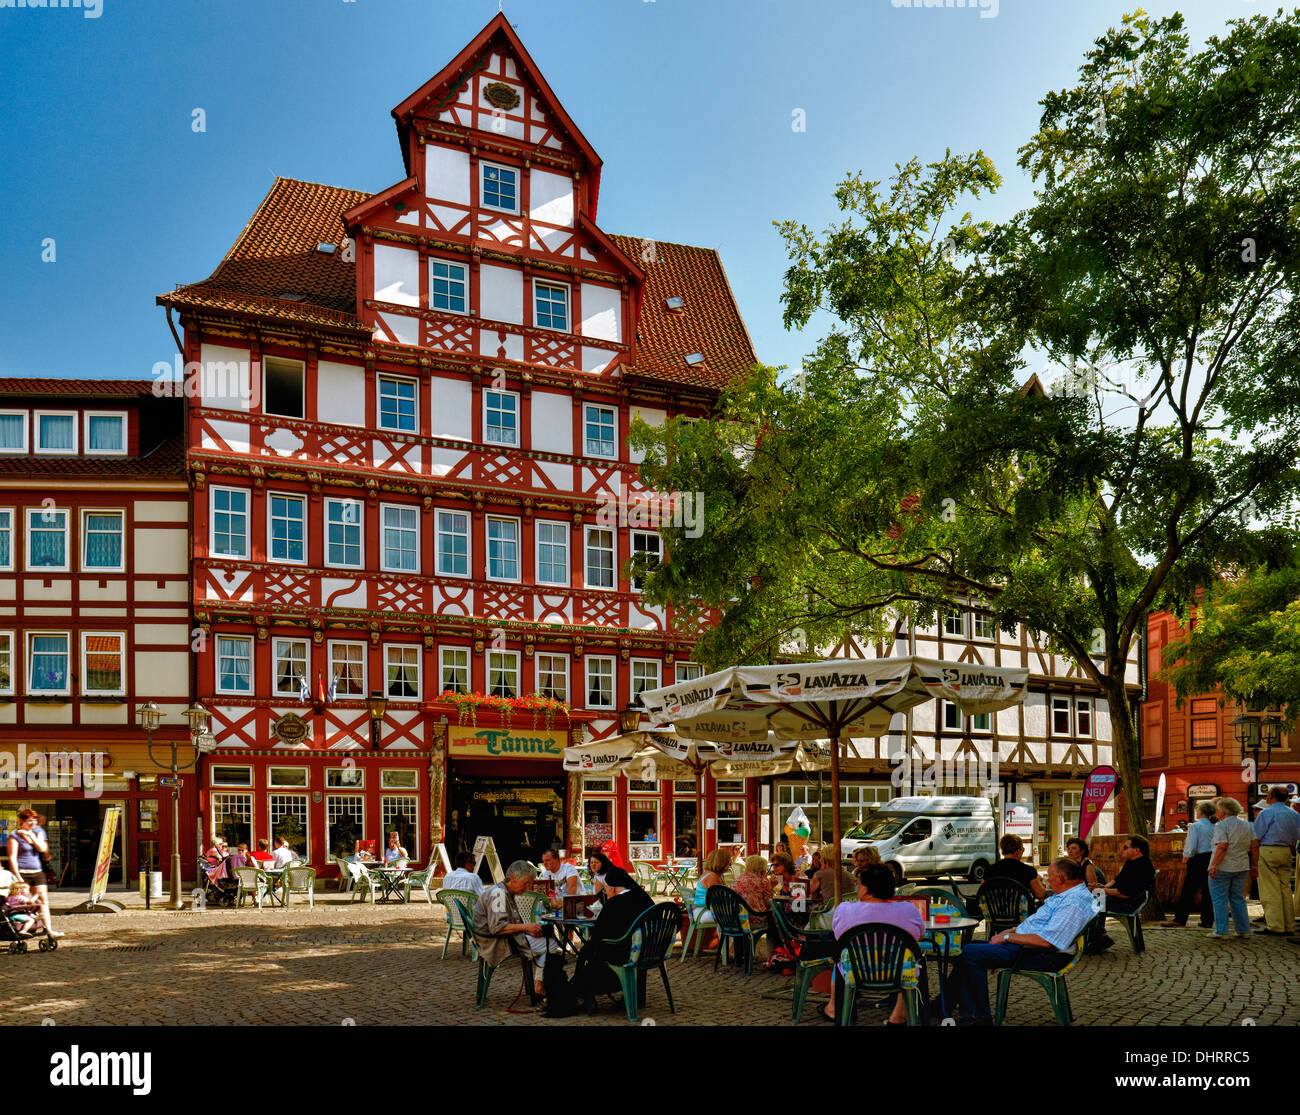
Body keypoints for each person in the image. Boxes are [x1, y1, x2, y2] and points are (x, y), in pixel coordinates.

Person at [951, 857, 1095, 1025]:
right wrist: (1011, 930)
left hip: (1041, 954)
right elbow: (1039, 925)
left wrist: (1007, 937)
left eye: (1049, 876)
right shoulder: (1068, 894)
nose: (1047, 881)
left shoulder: (1072, 903)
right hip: (1029, 947)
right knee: (969, 951)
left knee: (970, 952)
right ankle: (959, 1011)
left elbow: (1046, 941)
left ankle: (980, 1017)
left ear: (1061, 878)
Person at [569, 865, 656, 1006]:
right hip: (649, 949)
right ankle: (636, 996)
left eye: (606, 889)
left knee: (587, 950)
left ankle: (583, 991)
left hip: (624, 952)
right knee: (591, 949)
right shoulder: (643, 898)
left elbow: (598, 933)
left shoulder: (614, 903)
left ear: (613, 888)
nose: (605, 892)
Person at [471, 860, 555, 998]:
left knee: (547, 939)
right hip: (495, 943)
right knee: (551, 944)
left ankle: (540, 984)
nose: (528, 887)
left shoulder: (504, 892)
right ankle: (539, 986)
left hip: (501, 938)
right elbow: (497, 927)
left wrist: (526, 930)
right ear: (514, 878)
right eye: (526, 883)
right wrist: (526, 926)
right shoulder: (498, 894)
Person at [1252, 786, 1300, 935]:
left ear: (1270, 796)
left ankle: (1276, 925)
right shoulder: (1294, 814)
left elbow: (1256, 837)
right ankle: (1289, 925)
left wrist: (1254, 862)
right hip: (1286, 851)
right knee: (1285, 888)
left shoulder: (1266, 813)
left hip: (1268, 849)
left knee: (1270, 889)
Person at [1161, 801, 1216, 929]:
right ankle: (1207, 920)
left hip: (1197, 859)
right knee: (1207, 891)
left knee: (1188, 891)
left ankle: (1180, 919)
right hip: (1211, 858)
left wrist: (1186, 856)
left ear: (1201, 812)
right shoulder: (1215, 826)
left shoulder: (1196, 826)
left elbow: (1191, 844)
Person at [6, 810, 61, 938]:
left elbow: (42, 848)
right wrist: (18, 877)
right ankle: (20, 927)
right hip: (22, 872)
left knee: (43, 900)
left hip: (37, 872)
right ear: (22, 822)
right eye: (29, 820)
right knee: (21, 901)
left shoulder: (37, 833)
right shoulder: (14, 836)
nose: (33, 823)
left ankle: (48, 929)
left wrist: (31, 836)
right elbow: (12, 857)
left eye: (34, 820)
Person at [1207, 797, 1257, 940]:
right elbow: (1254, 846)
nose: (1216, 811)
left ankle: (1221, 930)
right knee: (1238, 898)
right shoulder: (1248, 825)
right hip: (1241, 866)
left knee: (1219, 899)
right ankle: (1243, 929)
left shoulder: (1221, 826)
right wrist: (1254, 865)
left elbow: (1222, 846)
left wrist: (1214, 865)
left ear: (1223, 811)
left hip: (1223, 866)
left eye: (1218, 808)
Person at [980, 835, 1048, 902]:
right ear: (1018, 852)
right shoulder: (1028, 871)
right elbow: (1041, 894)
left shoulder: (990, 870)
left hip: (994, 911)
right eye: (1023, 850)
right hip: (1021, 912)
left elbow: (981, 893)